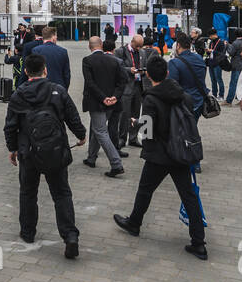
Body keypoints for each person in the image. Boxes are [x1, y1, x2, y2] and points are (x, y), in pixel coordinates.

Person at [113, 55, 208, 259]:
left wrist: (137, 125)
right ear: (166, 73)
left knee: (145, 190)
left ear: (148, 75)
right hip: (180, 153)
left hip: (159, 155)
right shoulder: (183, 95)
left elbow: (147, 132)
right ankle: (199, 242)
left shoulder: (151, 98)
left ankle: (134, 223)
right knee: (189, 196)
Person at [3, 53, 88, 258]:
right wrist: (81, 134)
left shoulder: (19, 95)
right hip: (55, 150)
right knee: (61, 193)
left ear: (25, 72)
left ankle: (28, 232)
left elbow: (10, 126)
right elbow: (72, 116)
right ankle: (70, 236)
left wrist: (12, 148)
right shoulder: (57, 90)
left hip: (28, 151)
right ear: (45, 70)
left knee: (28, 192)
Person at [81, 35, 127, 177]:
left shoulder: (87, 61)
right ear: (101, 45)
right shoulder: (115, 61)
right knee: (97, 128)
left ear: (90, 46)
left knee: (100, 131)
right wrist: (114, 97)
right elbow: (123, 81)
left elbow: (90, 83)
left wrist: (103, 98)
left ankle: (116, 164)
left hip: (97, 102)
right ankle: (91, 158)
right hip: (112, 103)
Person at [169, 32, 213, 118]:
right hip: (199, 101)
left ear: (178, 45)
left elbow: (172, 86)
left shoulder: (174, 63)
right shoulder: (199, 58)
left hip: (183, 104)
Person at [32, 25, 70, 90]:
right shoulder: (63, 51)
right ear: (53, 37)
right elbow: (66, 74)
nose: (56, 37)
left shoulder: (36, 50)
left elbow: (34, 71)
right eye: (56, 35)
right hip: (59, 87)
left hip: (41, 87)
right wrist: (64, 89)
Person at [224, 29, 242, 105]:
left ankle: (229, 100)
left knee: (234, 83)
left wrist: (227, 45)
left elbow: (231, 53)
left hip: (236, 64)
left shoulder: (235, 43)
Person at [206, 29, 229, 100]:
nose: (209, 37)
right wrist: (208, 51)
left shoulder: (221, 42)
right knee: (213, 80)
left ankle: (221, 95)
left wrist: (212, 51)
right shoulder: (211, 43)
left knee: (219, 79)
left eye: (210, 36)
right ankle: (214, 94)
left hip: (218, 64)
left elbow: (222, 54)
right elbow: (209, 53)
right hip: (211, 63)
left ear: (214, 35)